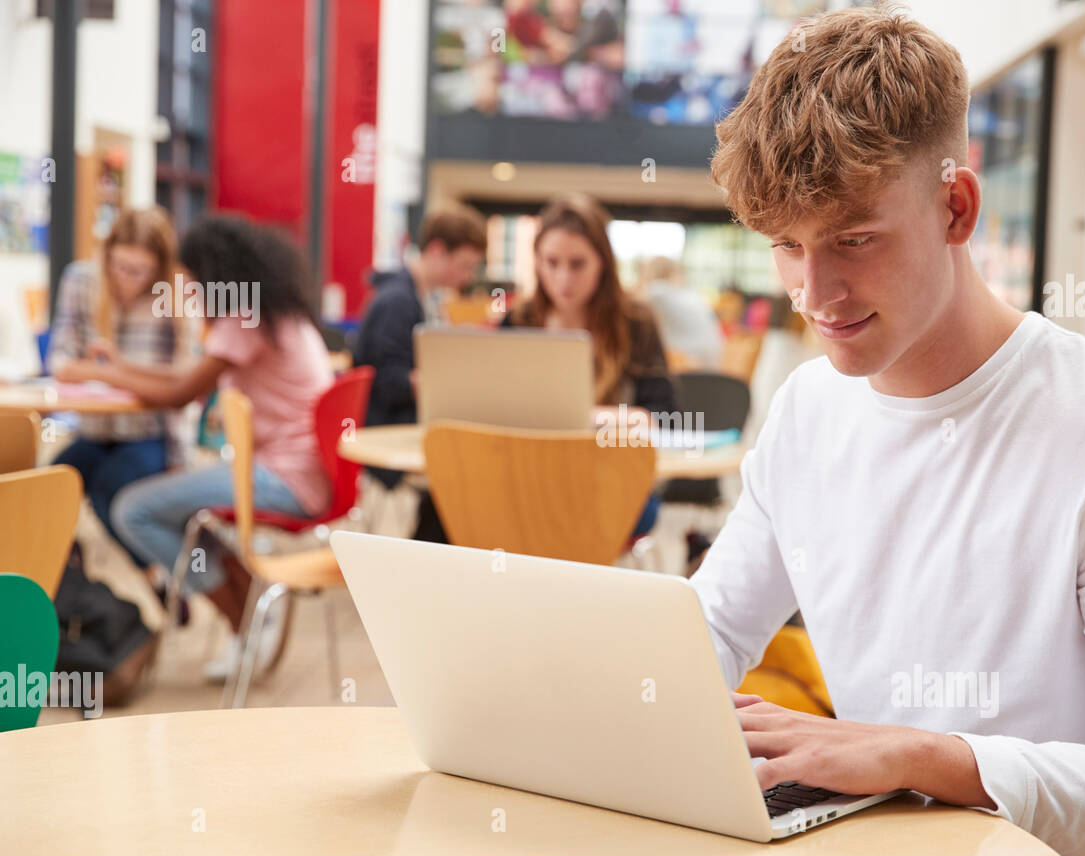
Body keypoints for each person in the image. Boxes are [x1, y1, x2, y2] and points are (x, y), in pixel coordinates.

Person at [693, 6, 1085, 856]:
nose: (816, 292)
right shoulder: (807, 411)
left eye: (855, 239)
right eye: (788, 247)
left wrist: (920, 756)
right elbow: (704, 637)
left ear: (956, 206)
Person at [59, 215, 335, 680]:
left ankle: (243, 623)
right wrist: (122, 367)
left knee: (135, 510)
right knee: (171, 513)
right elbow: (183, 381)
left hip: (284, 479)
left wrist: (100, 373)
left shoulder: (240, 322)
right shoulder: (268, 312)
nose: (186, 290)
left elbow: (179, 395)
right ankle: (250, 605)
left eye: (190, 280)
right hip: (298, 471)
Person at [500, 193, 678, 539]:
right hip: (527, 473)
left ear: (603, 263)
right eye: (551, 262)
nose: (563, 278)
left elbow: (664, 415)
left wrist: (586, 416)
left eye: (577, 264)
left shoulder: (636, 323)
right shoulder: (518, 321)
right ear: (536, 261)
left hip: (612, 478)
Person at [46, 207, 186, 572]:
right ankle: (68, 589)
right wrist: (124, 376)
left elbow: (181, 385)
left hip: (149, 432)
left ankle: (164, 576)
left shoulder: (175, 292)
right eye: (119, 266)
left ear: (158, 267)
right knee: (48, 488)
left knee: (112, 491)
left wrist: (108, 372)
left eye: (139, 270)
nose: (126, 278)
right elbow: (60, 363)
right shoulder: (82, 279)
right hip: (95, 430)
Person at [351, 203, 487, 492]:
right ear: (437, 251)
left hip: (403, 427)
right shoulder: (397, 303)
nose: (468, 277)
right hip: (386, 433)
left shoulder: (421, 298)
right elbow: (388, 383)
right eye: (465, 266)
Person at [641, 256, 724, 370]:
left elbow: (635, 299)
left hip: (688, 363)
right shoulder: (689, 293)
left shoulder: (657, 291)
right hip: (714, 363)